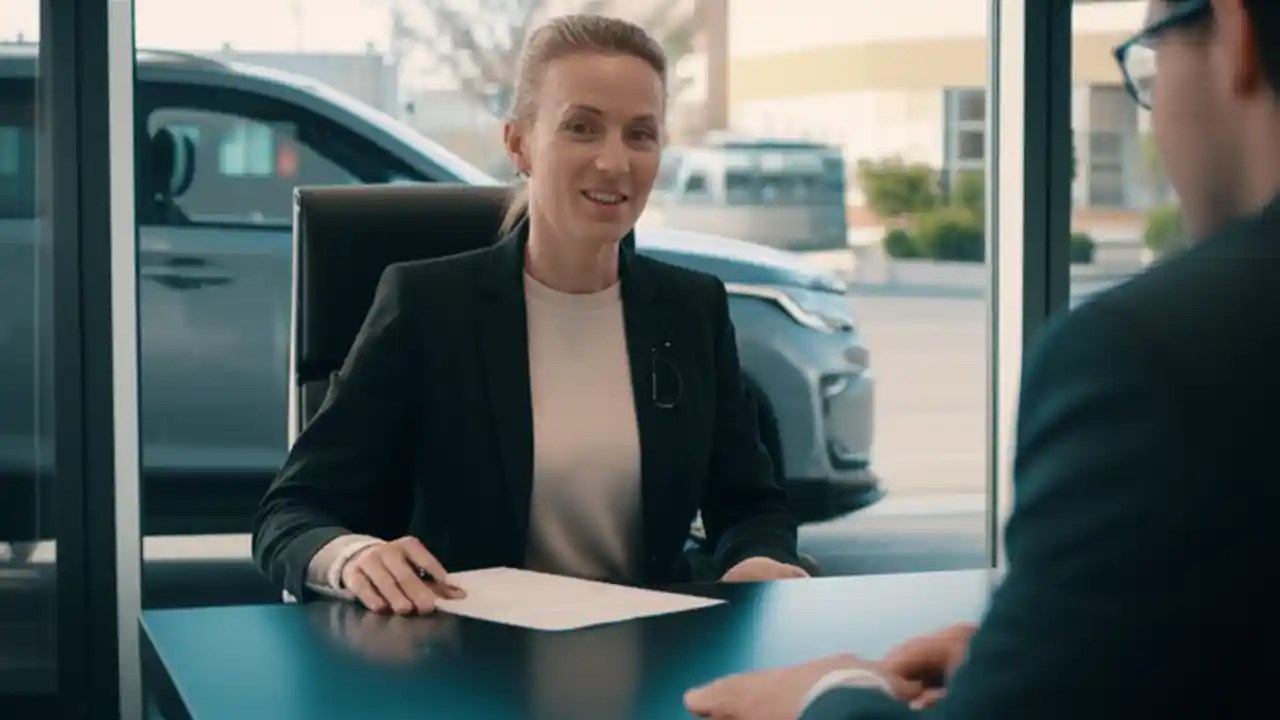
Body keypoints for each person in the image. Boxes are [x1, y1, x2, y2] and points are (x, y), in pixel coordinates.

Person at [684, 0, 1280, 717]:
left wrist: (824, 696)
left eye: (1153, 57)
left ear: (1235, 33)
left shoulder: (1146, 357)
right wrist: (1055, 651)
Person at [251, 14, 809, 616]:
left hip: (653, 657)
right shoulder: (429, 306)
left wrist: (752, 558)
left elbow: (751, 505)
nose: (614, 162)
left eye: (640, 134)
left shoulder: (691, 309)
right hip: (468, 662)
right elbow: (290, 513)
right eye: (581, 128)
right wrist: (350, 555)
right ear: (518, 143)